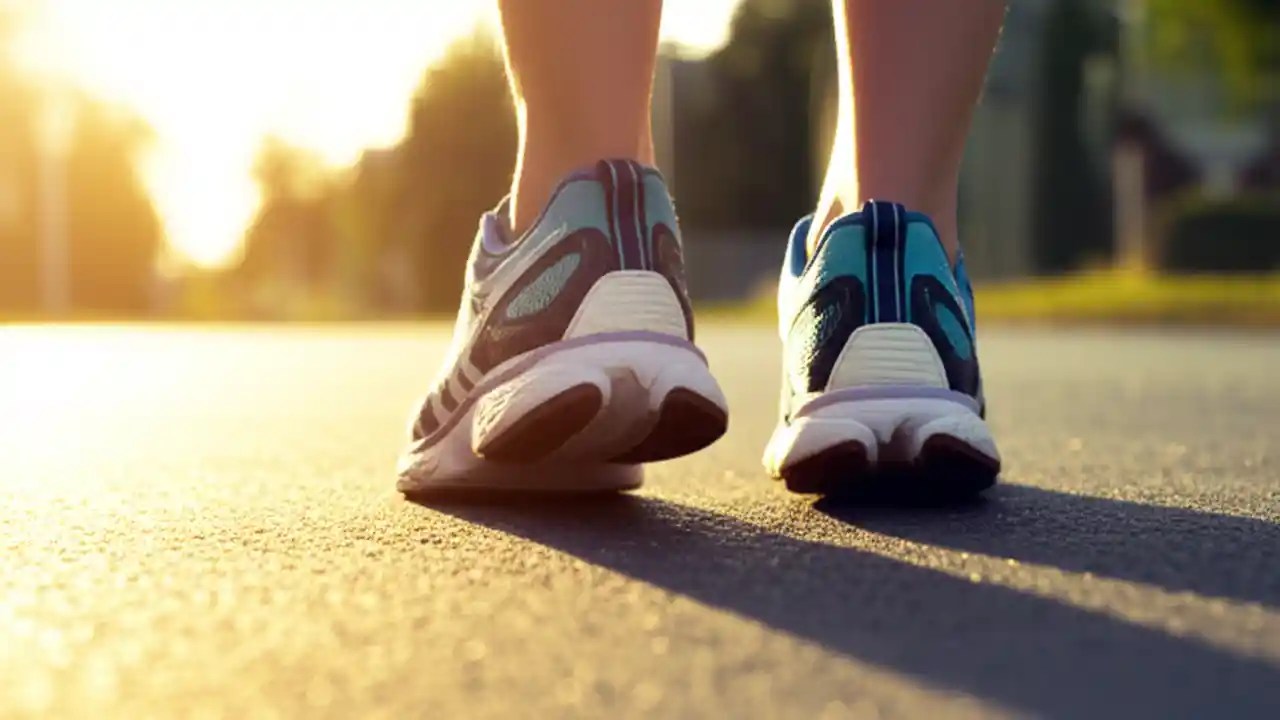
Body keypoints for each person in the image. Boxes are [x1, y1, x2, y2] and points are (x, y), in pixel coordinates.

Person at [396, 0, 1005, 497]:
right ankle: (896, 296)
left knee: (582, 157)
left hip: (564, 275)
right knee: (896, 195)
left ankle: (577, 239)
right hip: (929, 327)